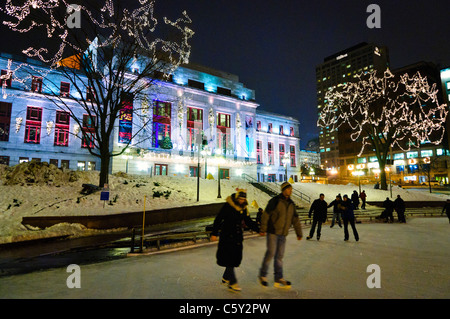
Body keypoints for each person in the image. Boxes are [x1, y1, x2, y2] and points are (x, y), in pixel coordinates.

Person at [210, 188, 259, 291]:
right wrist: (214, 233)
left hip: (237, 236)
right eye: (240, 199)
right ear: (237, 198)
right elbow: (218, 219)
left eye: (243, 199)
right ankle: (232, 282)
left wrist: (259, 229)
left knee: (234, 258)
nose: (241, 201)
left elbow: (248, 221)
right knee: (230, 258)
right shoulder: (228, 206)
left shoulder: (244, 208)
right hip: (227, 236)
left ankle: (226, 277)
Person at [258, 182, 302, 289]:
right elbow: (266, 215)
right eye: (288, 189)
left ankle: (278, 278)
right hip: (273, 232)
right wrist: (263, 228)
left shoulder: (291, 203)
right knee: (271, 253)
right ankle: (263, 275)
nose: (290, 191)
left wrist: (299, 232)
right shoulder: (275, 201)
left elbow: (295, 219)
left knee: (279, 257)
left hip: (283, 234)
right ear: (283, 190)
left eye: (291, 189)